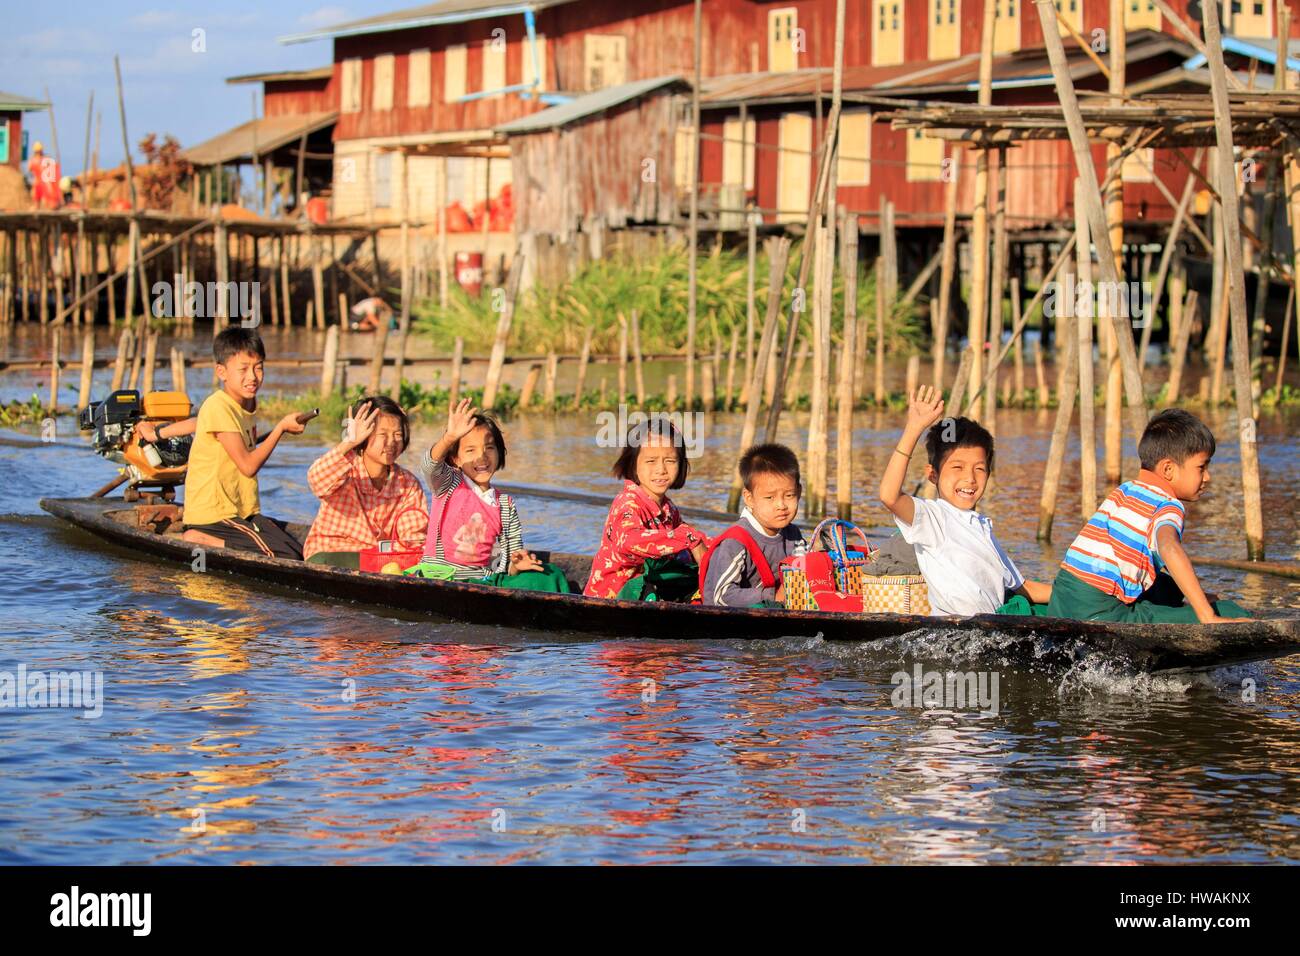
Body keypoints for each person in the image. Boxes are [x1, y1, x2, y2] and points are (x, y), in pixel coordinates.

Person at [1046, 408, 1251, 624]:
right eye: (1201, 467)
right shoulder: (1167, 505)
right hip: (1099, 612)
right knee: (1231, 610)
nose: (1207, 477)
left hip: (1062, 598)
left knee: (1167, 585)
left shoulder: (1126, 490)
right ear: (1168, 469)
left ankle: (1190, 602)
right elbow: (1169, 548)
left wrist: (1195, 595)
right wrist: (1207, 615)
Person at [878, 386, 1051, 616]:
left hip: (991, 629)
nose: (969, 478)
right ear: (933, 475)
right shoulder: (932, 519)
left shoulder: (983, 529)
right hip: (956, 634)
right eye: (957, 467)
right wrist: (914, 428)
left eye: (979, 469)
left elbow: (1023, 588)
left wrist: (1085, 594)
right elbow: (889, 496)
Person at [408, 398, 568, 591]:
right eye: (470, 450)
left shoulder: (505, 505)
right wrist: (449, 438)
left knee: (551, 574)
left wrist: (517, 565)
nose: (482, 457)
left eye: (489, 448)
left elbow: (506, 562)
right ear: (456, 459)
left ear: (499, 453)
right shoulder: (449, 483)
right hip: (440, 577)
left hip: (481, 583)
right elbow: (429, 465)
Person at [181, 328, 309, 559]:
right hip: (213, 515)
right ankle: (199, 538)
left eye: (258, 367)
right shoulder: (218, 405)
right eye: (243, 369)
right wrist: (280, 429)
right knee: (282, 556)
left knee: (299, 551)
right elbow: (248, 466)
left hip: (243, 510)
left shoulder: (243, 403)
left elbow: (198, 422)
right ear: (221, 372)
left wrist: (158, 432)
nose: (252, 376)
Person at [585, 416, 710, 601]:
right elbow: (630, 540)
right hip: (615, 597)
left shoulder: (669, 509)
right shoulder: (627, 503)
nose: (661, 469)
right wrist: (689, 539)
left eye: (670, 460)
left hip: (652, 589)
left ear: (681, 463)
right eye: (651, 461)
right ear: (634, 465)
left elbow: (692, 537)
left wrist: (728, 546)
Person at [302, 395, 428, 568]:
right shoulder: (345, 470)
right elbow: (316, 480)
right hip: (331, 553)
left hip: (376, 559)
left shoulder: (408, 484)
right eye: (382, 434)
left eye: (397, 434)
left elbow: (413, 538)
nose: (391, 442)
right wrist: (350, 443)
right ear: (364, 436)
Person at [700, 443, 806, 607]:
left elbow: (803, 571)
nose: (781, 505)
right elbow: (720, 596)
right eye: (769, 497)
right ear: (749, 498)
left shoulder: (794, 535)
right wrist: (773, 595)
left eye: (789, 495)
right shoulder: (735, 542)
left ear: (799, 492)